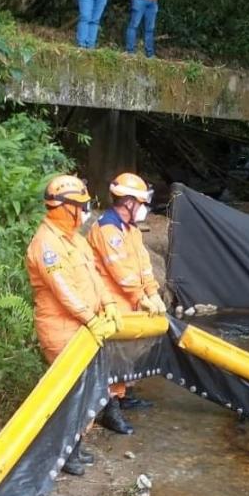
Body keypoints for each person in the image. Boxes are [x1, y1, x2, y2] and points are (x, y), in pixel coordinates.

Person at [25, 175, 124, 472]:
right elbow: (63, 289)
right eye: (79, 205)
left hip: (83, 327)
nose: (84, 211)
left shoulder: (76, 240)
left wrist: (108, 303)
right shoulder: (47, 244)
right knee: (72, 395)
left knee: (87, 392)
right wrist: (91, 319)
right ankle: (64, 452)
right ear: (62, 207)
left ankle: (75, 447)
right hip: (62, 329)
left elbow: (95, 279)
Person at [88, 172, 167, 429]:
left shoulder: (131, 230)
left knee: (130, 354)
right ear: (129, 202)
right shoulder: (107, 230)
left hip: (129, 304)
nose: (145, 208)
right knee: (114, 359)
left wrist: (152, 292)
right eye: (142, 203)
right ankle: (110, 408)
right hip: (112, 304)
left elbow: (143, 266)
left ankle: (124, 396)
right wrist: (141, 297)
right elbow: (121, 273)